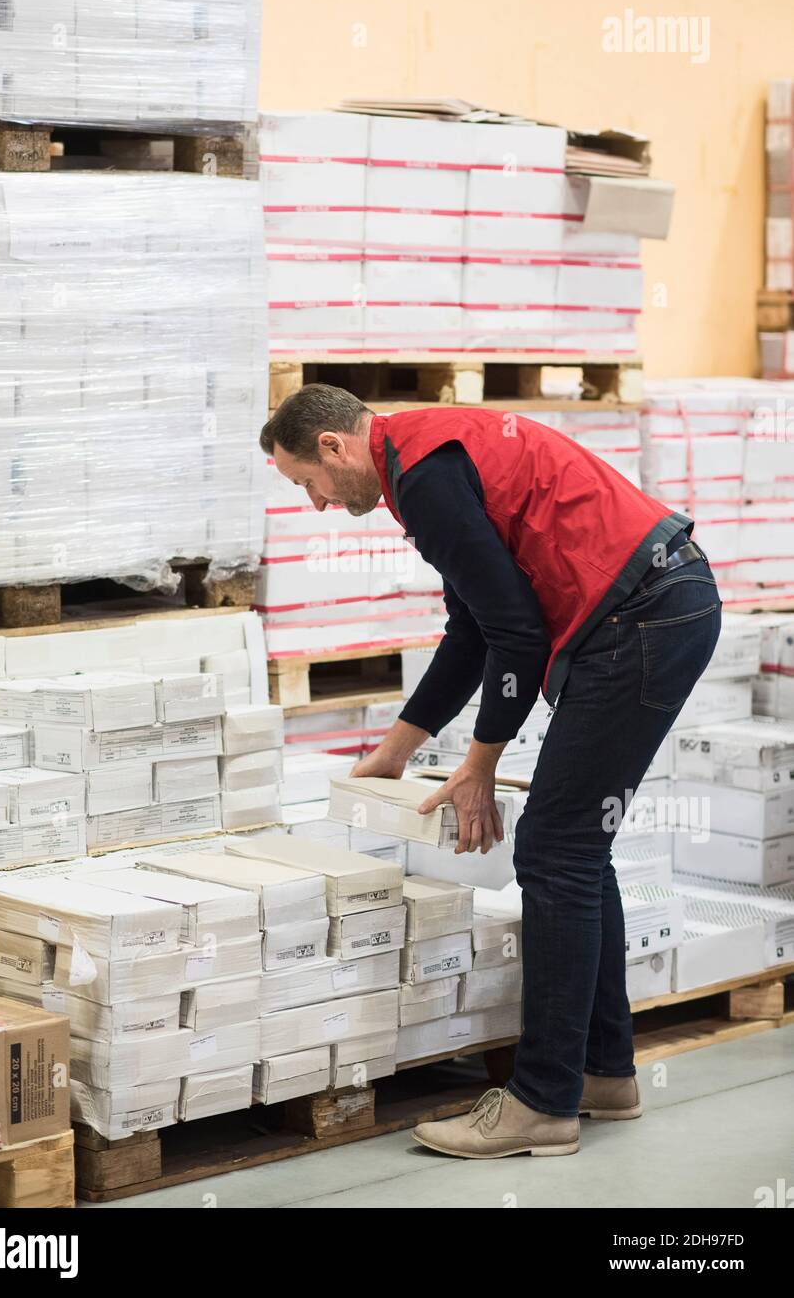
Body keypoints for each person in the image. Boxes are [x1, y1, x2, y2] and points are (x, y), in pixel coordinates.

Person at [259, 383, 722, 1159]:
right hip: (657, 602)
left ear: (333, 447)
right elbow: (474, 625)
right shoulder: (421, 458)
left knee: (553, 850)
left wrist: (479, 765)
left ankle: (541, 1103)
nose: (315, 504)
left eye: (306, 483)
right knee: (572, 847)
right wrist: (399, 748)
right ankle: (600, 1073)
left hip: (641, 615)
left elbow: (516, 633)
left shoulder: (423, 474)